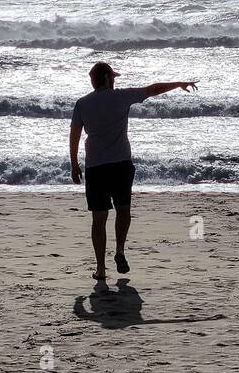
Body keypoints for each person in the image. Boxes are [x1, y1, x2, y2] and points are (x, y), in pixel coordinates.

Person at [69, 62, 196, 279]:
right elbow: (152, 89)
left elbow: (75, 136)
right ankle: (119, 250)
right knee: (123, 209)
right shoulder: (121, 96)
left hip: (95, 167)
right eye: (114, 77)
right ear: (108, 78)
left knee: (99, 218)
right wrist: (178, 84)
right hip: (120, 164)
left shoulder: (82, 104)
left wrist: (73, 164)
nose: (115, 80)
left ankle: (100, 268)